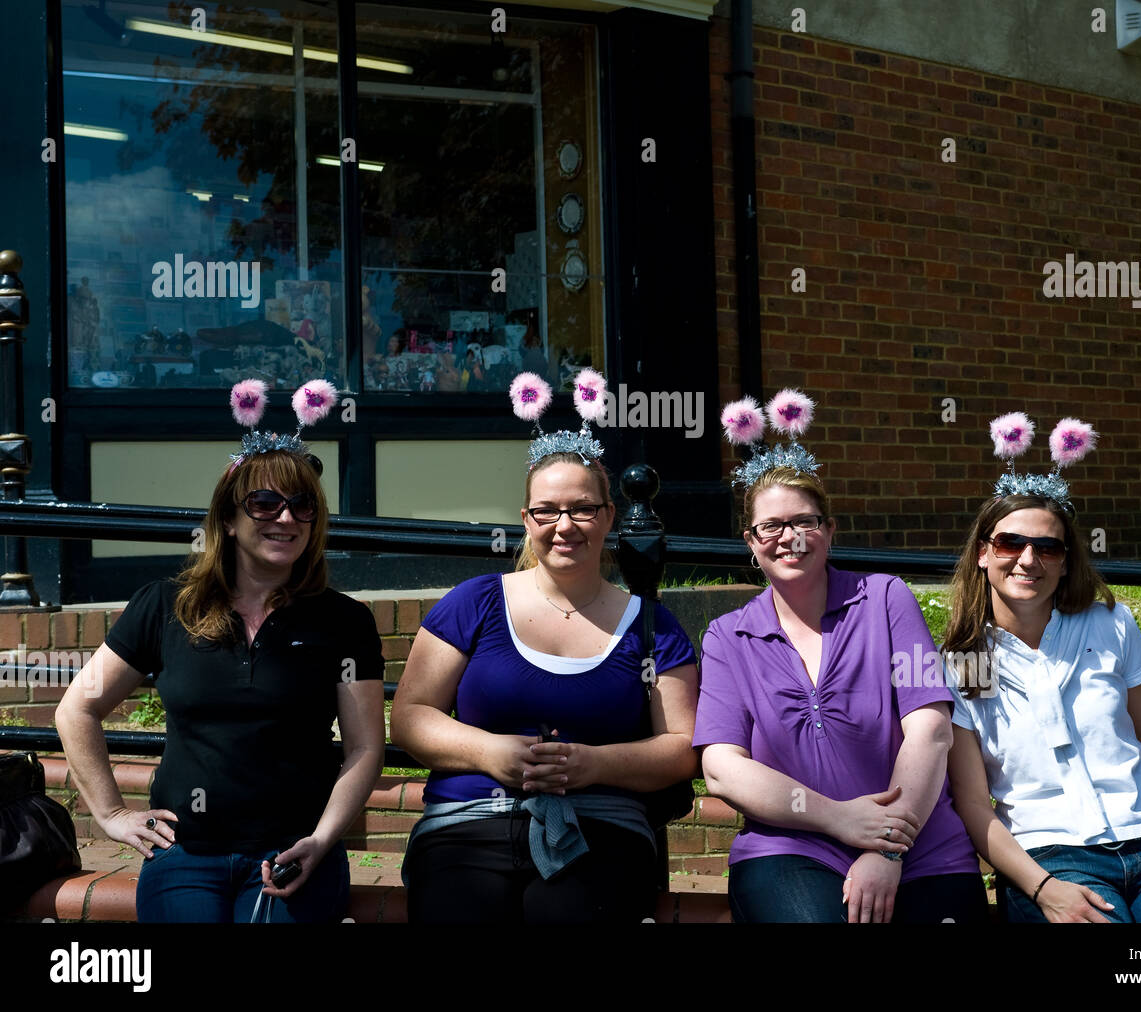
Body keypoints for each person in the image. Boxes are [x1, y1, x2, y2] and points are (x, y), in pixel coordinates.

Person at [54, 381, 385, 923]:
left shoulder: (343, 620)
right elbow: (77, 708)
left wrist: (323, 839)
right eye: (264, 503)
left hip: (295, 852)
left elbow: (365, 748)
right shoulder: (165, 605)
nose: (285, 518)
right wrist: (112, 813)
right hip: (186, 853)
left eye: (302, 505)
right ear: (228, 520)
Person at [392, 371, 699, 924]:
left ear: (608, 517)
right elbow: (410, 717)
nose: (565, 526)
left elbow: (682, 746)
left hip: (601, 828)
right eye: (547, 511)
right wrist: (492, 754)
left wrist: (591, 765)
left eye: (582, 508)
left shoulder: (652, 626)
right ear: (526, 520)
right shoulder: (474, 603)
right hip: (470, 824)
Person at [694, 393, 987, 923]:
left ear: (829, 529)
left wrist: (886, 846)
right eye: (772, 527)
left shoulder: (886, 598)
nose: (790, 538)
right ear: (751, 542)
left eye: (805, 521)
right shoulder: (726, 637)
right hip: (793, 850)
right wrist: (837, 819)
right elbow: (721, 768)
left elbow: (930, 730)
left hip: (922, 848)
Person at [941, 414, 1141, 923]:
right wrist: (1042, 889)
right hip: (1052, 857)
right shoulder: (964, 661)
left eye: (1048, 546)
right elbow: (973, 801)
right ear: (983, 554)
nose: (1028, 559)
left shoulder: (1109, 623)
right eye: (1011, 543)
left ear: (1064, 560)